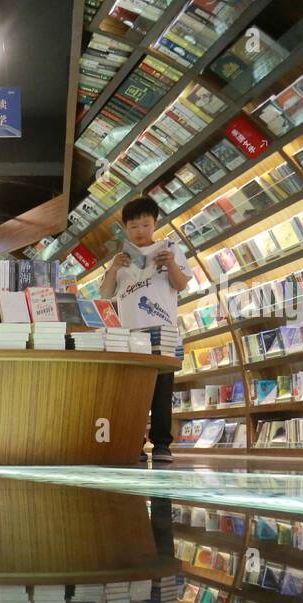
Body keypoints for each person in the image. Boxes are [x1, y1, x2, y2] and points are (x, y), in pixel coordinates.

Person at [99, 196, 189, 464]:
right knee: (132, 391)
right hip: (130, 334)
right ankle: (133, 441)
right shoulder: (121, 259)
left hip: (163, 330)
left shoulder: (171, 250)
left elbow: (182, 284)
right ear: (125, 229)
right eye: (134, 227)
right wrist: (114, 268)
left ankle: (162, 444)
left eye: (146, 225)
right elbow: (105, 295)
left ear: (155, 223)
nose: (140, 232)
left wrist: (171, 263)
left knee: (162, 389)